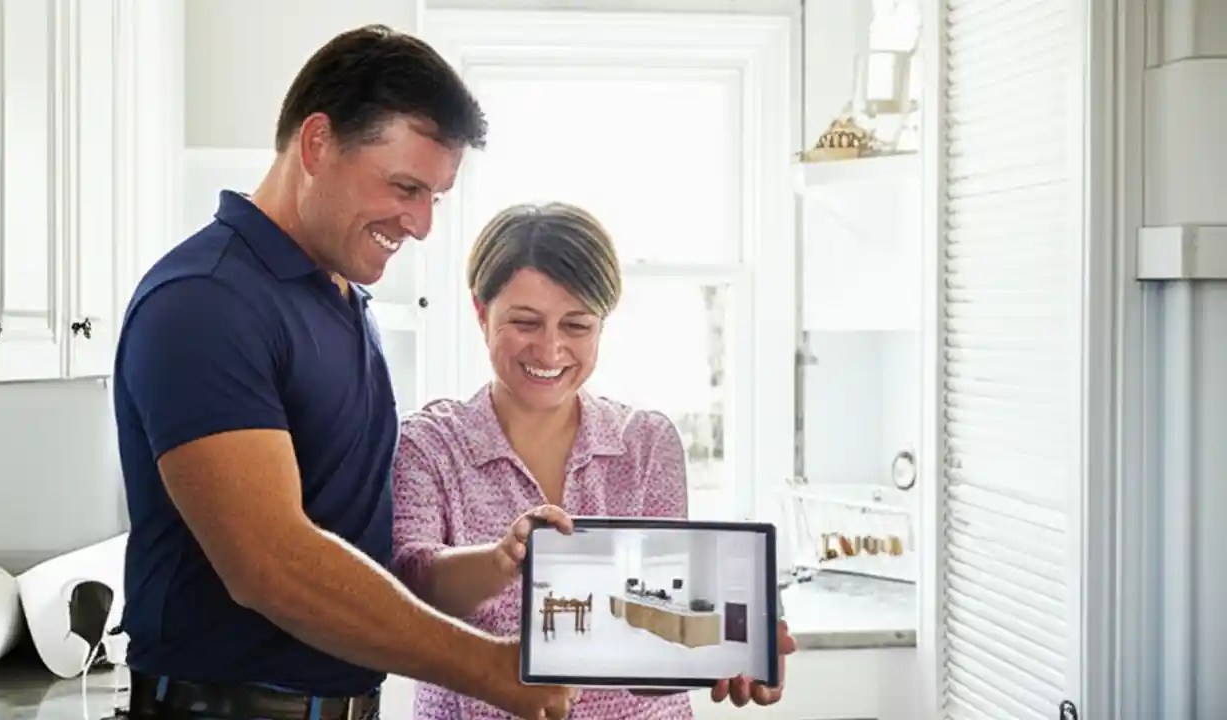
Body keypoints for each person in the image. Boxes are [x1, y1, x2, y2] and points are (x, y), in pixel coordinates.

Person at [112, 26, 576, 720]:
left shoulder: (341, 298)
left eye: (436, 198)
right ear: (316, 143)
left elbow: (359, 553)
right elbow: (272, 567)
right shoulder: (206, 303)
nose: (421, 224)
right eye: (405, 187)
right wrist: (487, 666)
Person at [390, 202, 797, 719]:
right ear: (480, 312)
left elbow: (654, 648)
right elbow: (411, 585)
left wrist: (726, 654)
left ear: (603, 324)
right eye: (525, 322)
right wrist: (500, 560)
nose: (550, 349)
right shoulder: (430, 444)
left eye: (577, 325)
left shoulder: (646, 443)